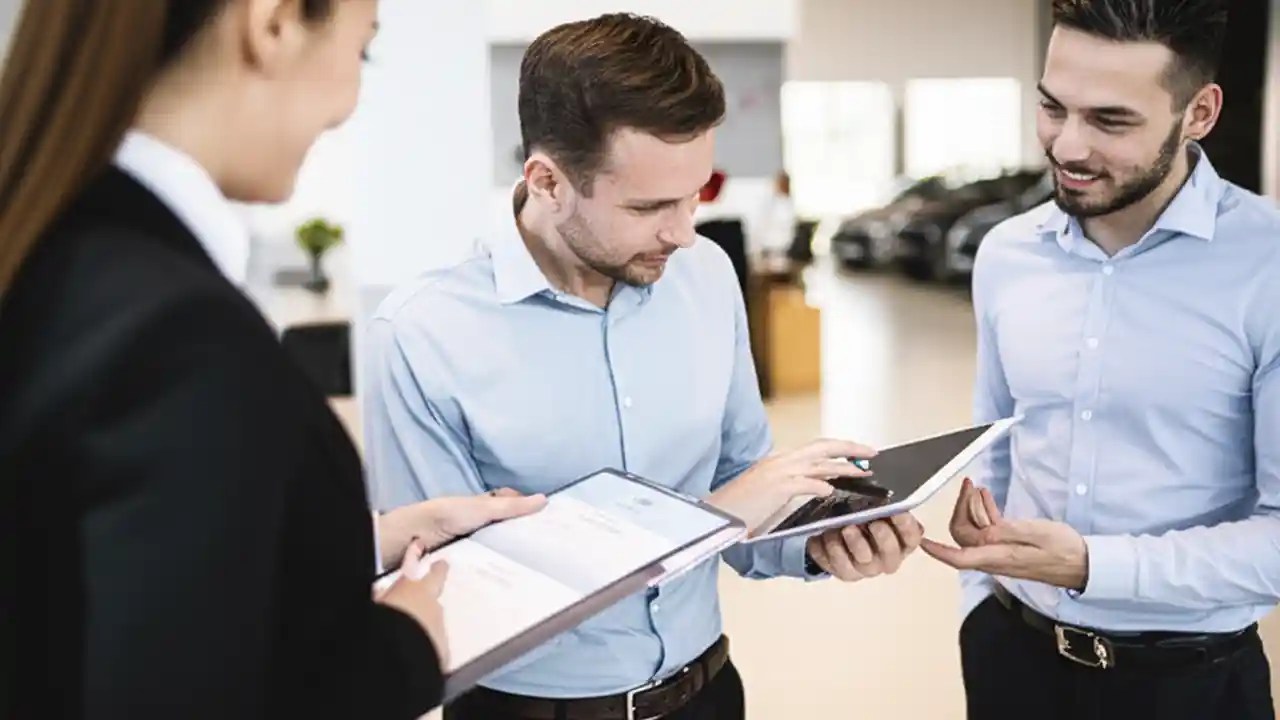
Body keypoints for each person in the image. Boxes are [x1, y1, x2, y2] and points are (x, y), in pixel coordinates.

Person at [363, 13, 924, 720]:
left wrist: (819, 540)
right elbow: (453, 604)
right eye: (650, 205)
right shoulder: (420, 334)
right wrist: (709, 518)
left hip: (709, 694)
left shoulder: (708, 275)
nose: (684, 230)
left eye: (698, 194)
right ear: (547, 182)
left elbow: (742, 493)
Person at [0, 2, 547, 717]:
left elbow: (89, 578)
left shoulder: (57, 263)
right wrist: (405, 645)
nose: (349, 107)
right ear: (275, 23)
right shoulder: (180, 338)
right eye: (363, 53)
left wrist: (371, 540)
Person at [921, 1, 1280, 718]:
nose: (1068, 147)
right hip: (1011, 660)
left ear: (1199, 113)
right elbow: (997, 440)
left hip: (1189, 685)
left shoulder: (1267, 265)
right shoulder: (1006, 254)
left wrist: (1091, 567)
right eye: (1053, 107)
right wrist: (978, 612)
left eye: (1111, 121)